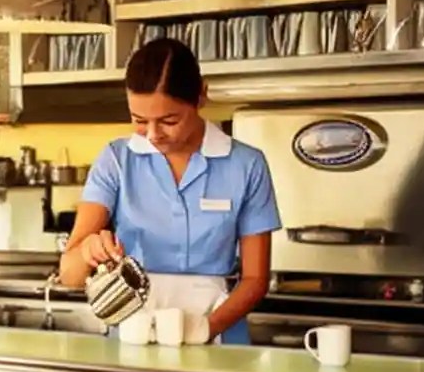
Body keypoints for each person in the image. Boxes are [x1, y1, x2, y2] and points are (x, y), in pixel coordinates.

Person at [58, 38, 281, 344]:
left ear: (201, 96)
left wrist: (207, 328)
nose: (153, 135)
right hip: (133, 329)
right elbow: (70, 276)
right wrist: (88, 250)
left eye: (169, 120)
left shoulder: (246, 165)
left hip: (219, 329)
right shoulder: (116, 160)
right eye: (139, 121)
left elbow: (255, 279)